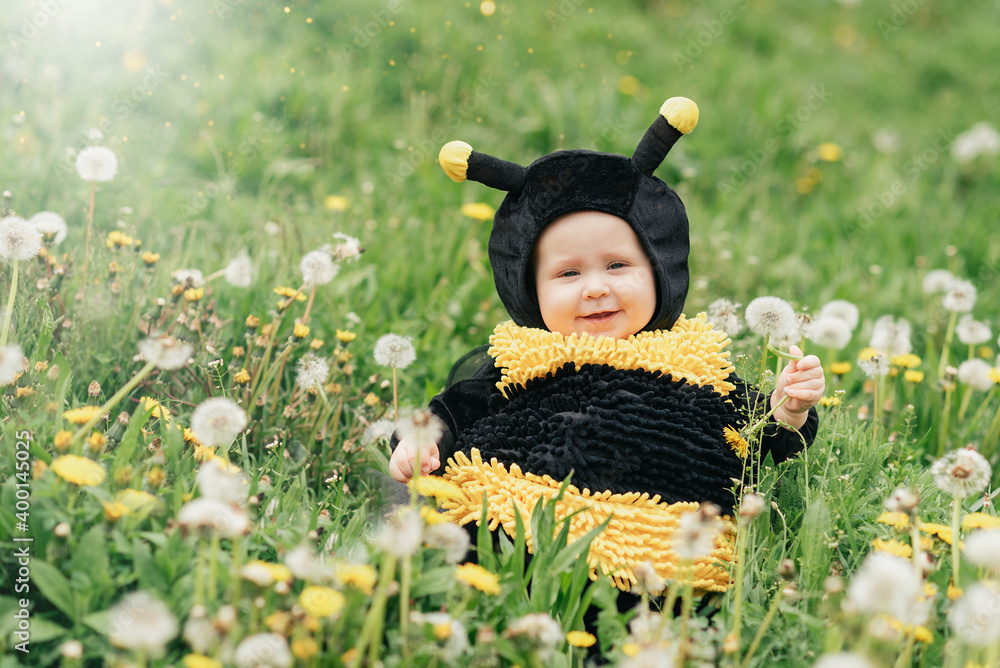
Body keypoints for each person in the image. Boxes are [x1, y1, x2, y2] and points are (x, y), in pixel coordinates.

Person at [388, 96, 824, 594]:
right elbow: (452, 411)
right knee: (455, 556)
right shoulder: (523, 358)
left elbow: (763, 441)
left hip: (661, 554)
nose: (595, 287)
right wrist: (421, 442)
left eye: (617, 266)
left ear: (660, 270)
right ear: (531, 291)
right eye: (568, 273)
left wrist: (787, 409)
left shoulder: (698, 363)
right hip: (516, 526)